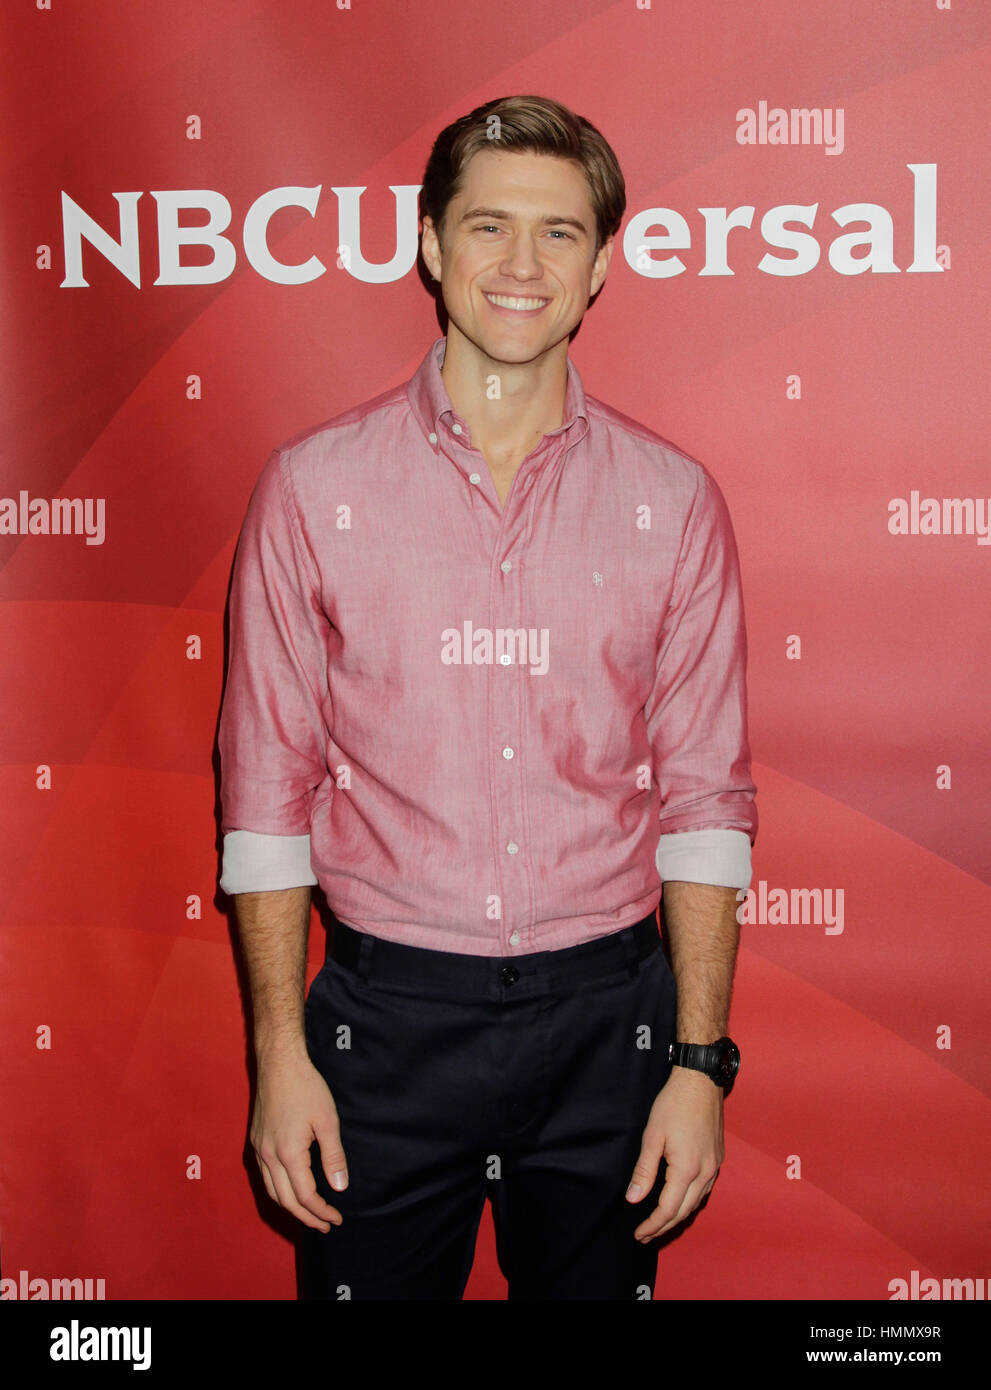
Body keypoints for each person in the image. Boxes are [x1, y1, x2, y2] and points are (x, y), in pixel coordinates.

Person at [217, 93, 757, 1301]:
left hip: (608, 1027)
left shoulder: (671, 503)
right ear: (429, 245)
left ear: (601, 264)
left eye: (560, 233)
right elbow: (263, 802)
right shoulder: (311, 491)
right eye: (488, 227)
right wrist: (280, 1056)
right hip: (384, 1027)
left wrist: (695, 1065)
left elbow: (705, 806)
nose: (522, 265)